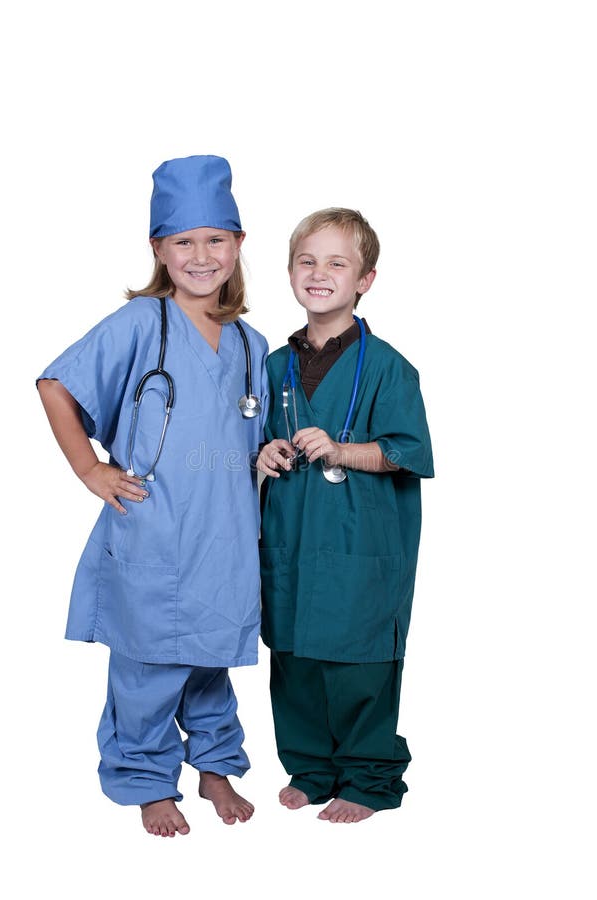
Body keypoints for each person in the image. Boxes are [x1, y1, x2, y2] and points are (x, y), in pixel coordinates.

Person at [38, 155, 269, 837]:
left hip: (225, 537)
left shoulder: (252, 345)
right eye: (183, 242)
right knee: (148, 668)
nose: (201, 256)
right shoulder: (142, 324)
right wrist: (90, 470)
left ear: (238, 245)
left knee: (209, 659)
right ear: (158, 250)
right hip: (156, 530)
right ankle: (146, 779)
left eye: (215, 240)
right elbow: (58, 386)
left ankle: (216, 766)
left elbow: (247, 434)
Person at [257, 208, 433, 823]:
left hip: (361, 544)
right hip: (293, 540)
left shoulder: (388, 366)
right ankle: (310, 770)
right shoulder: (273, 366)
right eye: (307, 261)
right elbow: (254, 440)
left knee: (358, 666)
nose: (319, 272)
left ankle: (368, 777)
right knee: (297, 660)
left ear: (366, 279)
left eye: (337, 262)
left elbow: (408, 451)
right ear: (289, 272)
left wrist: (341, 449)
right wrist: (265, 453)